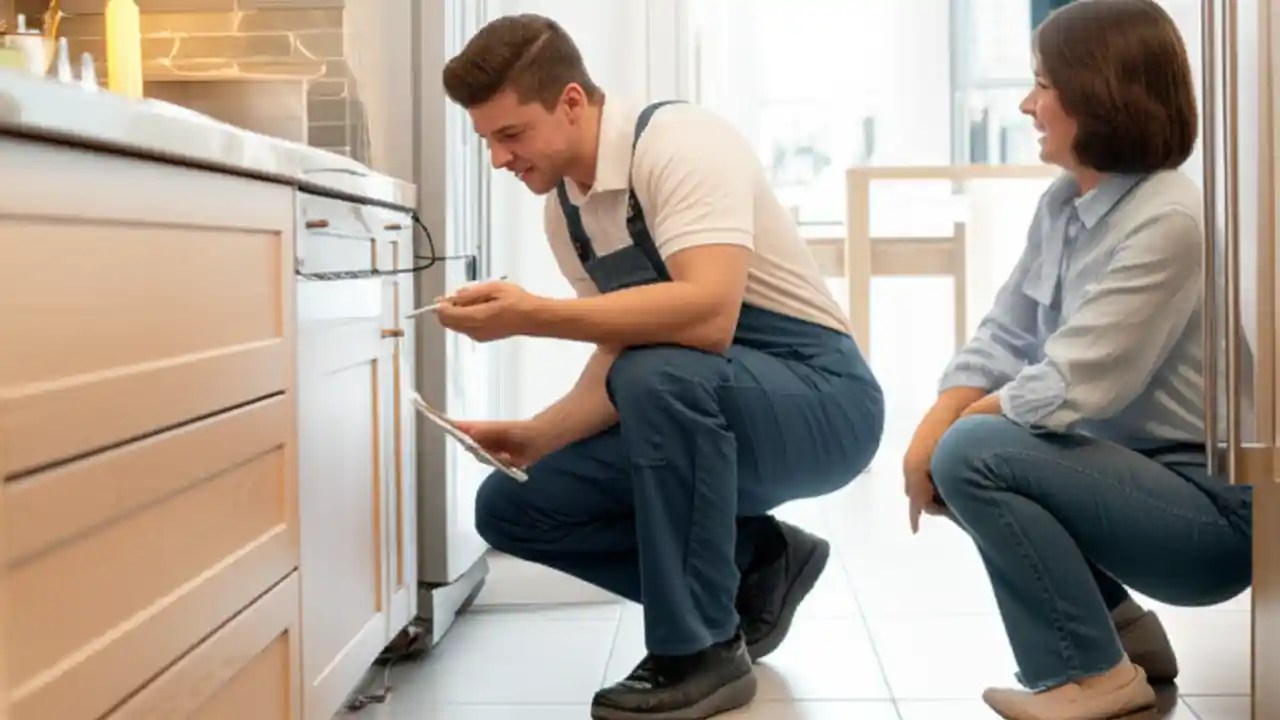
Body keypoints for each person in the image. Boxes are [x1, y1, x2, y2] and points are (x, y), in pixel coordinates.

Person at [434, 13, 885, 720]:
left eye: (511, 134)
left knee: (661, 374)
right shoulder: (568, 215)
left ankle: (700, 650)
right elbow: (621, 350)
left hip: (823, 402)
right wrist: (539, 435)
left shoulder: (678, 143)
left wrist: (531, 316)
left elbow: (707, 317)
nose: (498, 159)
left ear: (573, 102)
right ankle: (757, 560)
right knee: (514, 506)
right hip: (698, 395)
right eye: (487, 140)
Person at [902, 2, 1252, 719]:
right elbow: (1005, 334)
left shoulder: (1168, 218)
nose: (1028, 104)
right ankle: (1126, 638)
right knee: (959, 443)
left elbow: (1074, 382)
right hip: (1145, 486)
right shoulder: (1066, 204)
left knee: (973, 451)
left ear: (1099, 92)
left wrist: (950, 440)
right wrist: (931, 426)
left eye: (1042, 85)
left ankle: (1091, 673)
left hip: (1216, 522)